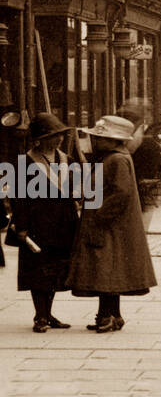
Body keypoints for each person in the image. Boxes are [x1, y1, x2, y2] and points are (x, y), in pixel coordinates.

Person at [66, 115, 158, 333]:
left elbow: (121, 193)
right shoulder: (112, 158)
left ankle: (107, 316)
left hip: (110, 227)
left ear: (113, 140)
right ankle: (111, 314)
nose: (95, 141)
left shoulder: (116, 160)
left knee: (105, 271)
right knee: (108, 271)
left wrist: (99, 215)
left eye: (100, 137)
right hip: (110, 225)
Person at [10, 113, 79, 332]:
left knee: (56, 271)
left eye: (60, 135)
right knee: (37, 271)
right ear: (39, 138)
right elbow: (18, 199)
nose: (58, 139)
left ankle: (48, 314)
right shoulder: (24, 164)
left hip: (62, 224)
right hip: (37, 225)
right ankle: (39, 315)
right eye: (53, 135)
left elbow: (78, 191)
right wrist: (21, 227)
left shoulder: (67, 159)